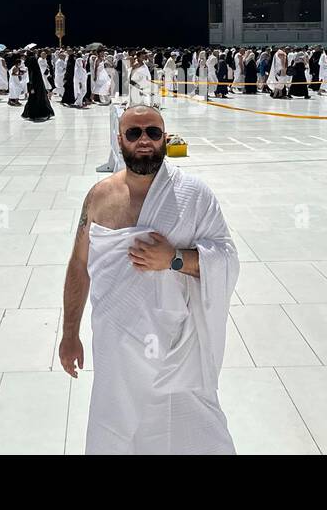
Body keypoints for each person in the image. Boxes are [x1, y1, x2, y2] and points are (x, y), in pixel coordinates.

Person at [59, 105, 240, 454]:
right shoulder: (99, 198)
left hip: (175, 351)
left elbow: (227, 259)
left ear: (165, 138)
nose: (144, 141)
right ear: (119, 140)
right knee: (116, 430)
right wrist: (70, 334)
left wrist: (173, 259)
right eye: (134, 133)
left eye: (153, 132)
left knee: (195, 434)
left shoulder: (194, 194)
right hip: (116, 349)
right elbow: (79, 265)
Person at [22, 52, 55, 122]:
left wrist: (31, 88)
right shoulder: (36, 69)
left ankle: (34, 114)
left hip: (34, 88)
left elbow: (31, 80)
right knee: (39, 100)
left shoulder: (32, 71)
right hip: (39, 88)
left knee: (33, 100)